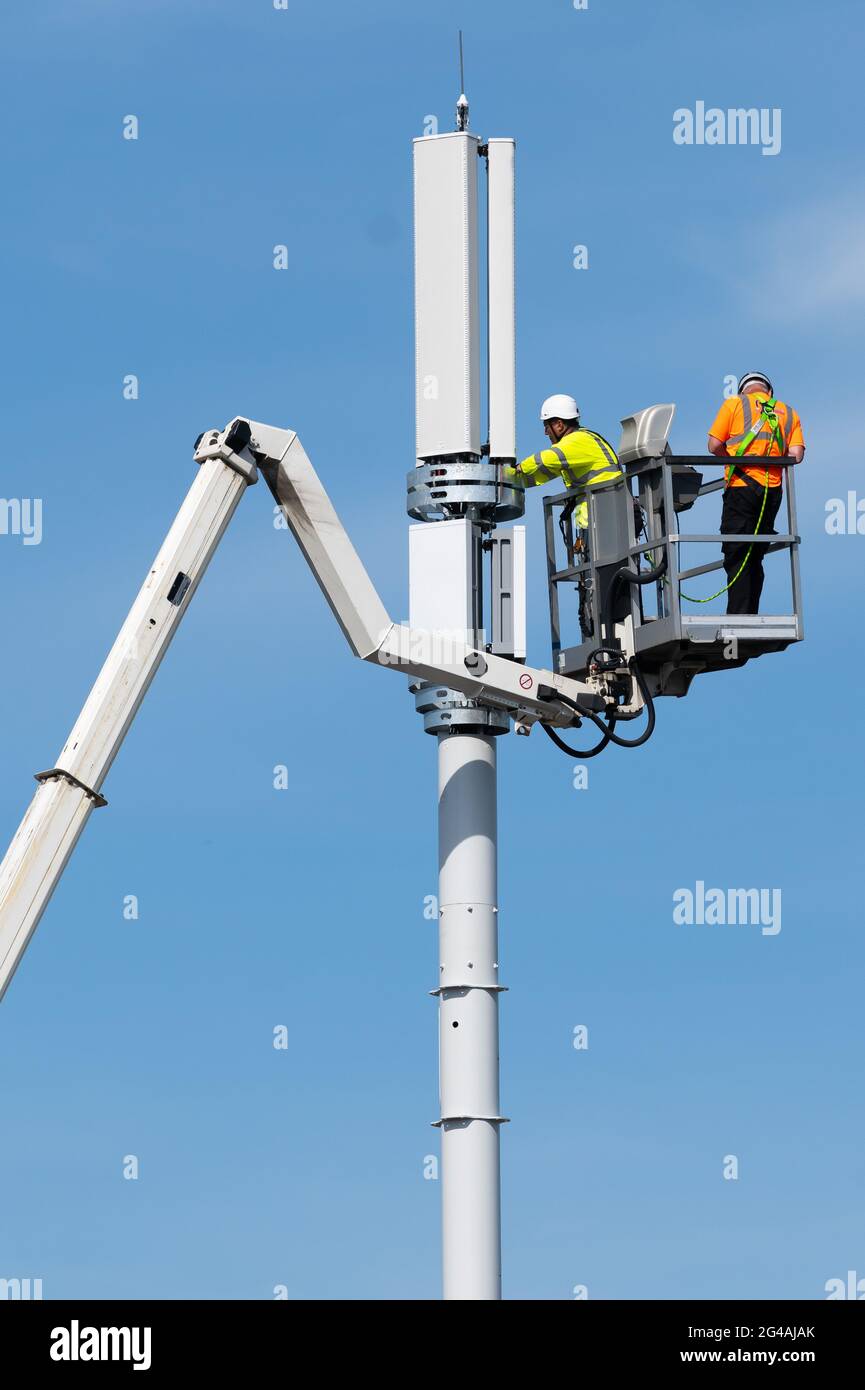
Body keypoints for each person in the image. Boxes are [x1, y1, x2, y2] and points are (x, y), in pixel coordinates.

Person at [507, 394, 624, 641]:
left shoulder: (578, 442)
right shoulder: (576, 448)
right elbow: (542, 474)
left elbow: (545, 460)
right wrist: (509, 481)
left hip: (606, 524)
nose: (546, 433)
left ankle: (609, 641)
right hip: (598, 527)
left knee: (606, 590)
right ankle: (604, 640)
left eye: (547, 426)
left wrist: (516, 469)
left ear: (559, 424)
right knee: (596, 589)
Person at [707, 373, 805, 615]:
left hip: (741, 488)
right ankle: (749, 614)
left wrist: (735, 460)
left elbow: (713, 445)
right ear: (769, 392)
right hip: (772, 492)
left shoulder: (734, 403)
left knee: (737, 551)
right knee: (756, 554)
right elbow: (796, 455)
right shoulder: (789, 412)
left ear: (743, 390)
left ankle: (738, 617)